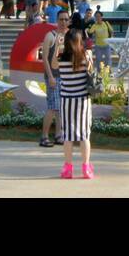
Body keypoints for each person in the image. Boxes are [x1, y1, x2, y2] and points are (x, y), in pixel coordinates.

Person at [56, 28, 95, 179]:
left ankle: (68, 168)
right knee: (84, 135)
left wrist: (57, 47)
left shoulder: (61, 59)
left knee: (68, 136)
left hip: (66, 100)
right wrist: (87, 50)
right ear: (80, 41)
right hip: (83, 100)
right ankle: (86, 168)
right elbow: (91, 73)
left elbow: (53, 65)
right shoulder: (86, 56)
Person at [39, 17, 69, 147]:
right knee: (53, 107)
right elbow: (44, 58)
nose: (63, 22)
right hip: (53, 77)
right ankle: (44, 137)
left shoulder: (68, 36)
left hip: (64, 77)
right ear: (57, 21)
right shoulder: (50, 36)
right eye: (61, 19)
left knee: (61, 108)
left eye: (66, 19)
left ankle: (58, 135)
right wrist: (50, 76)